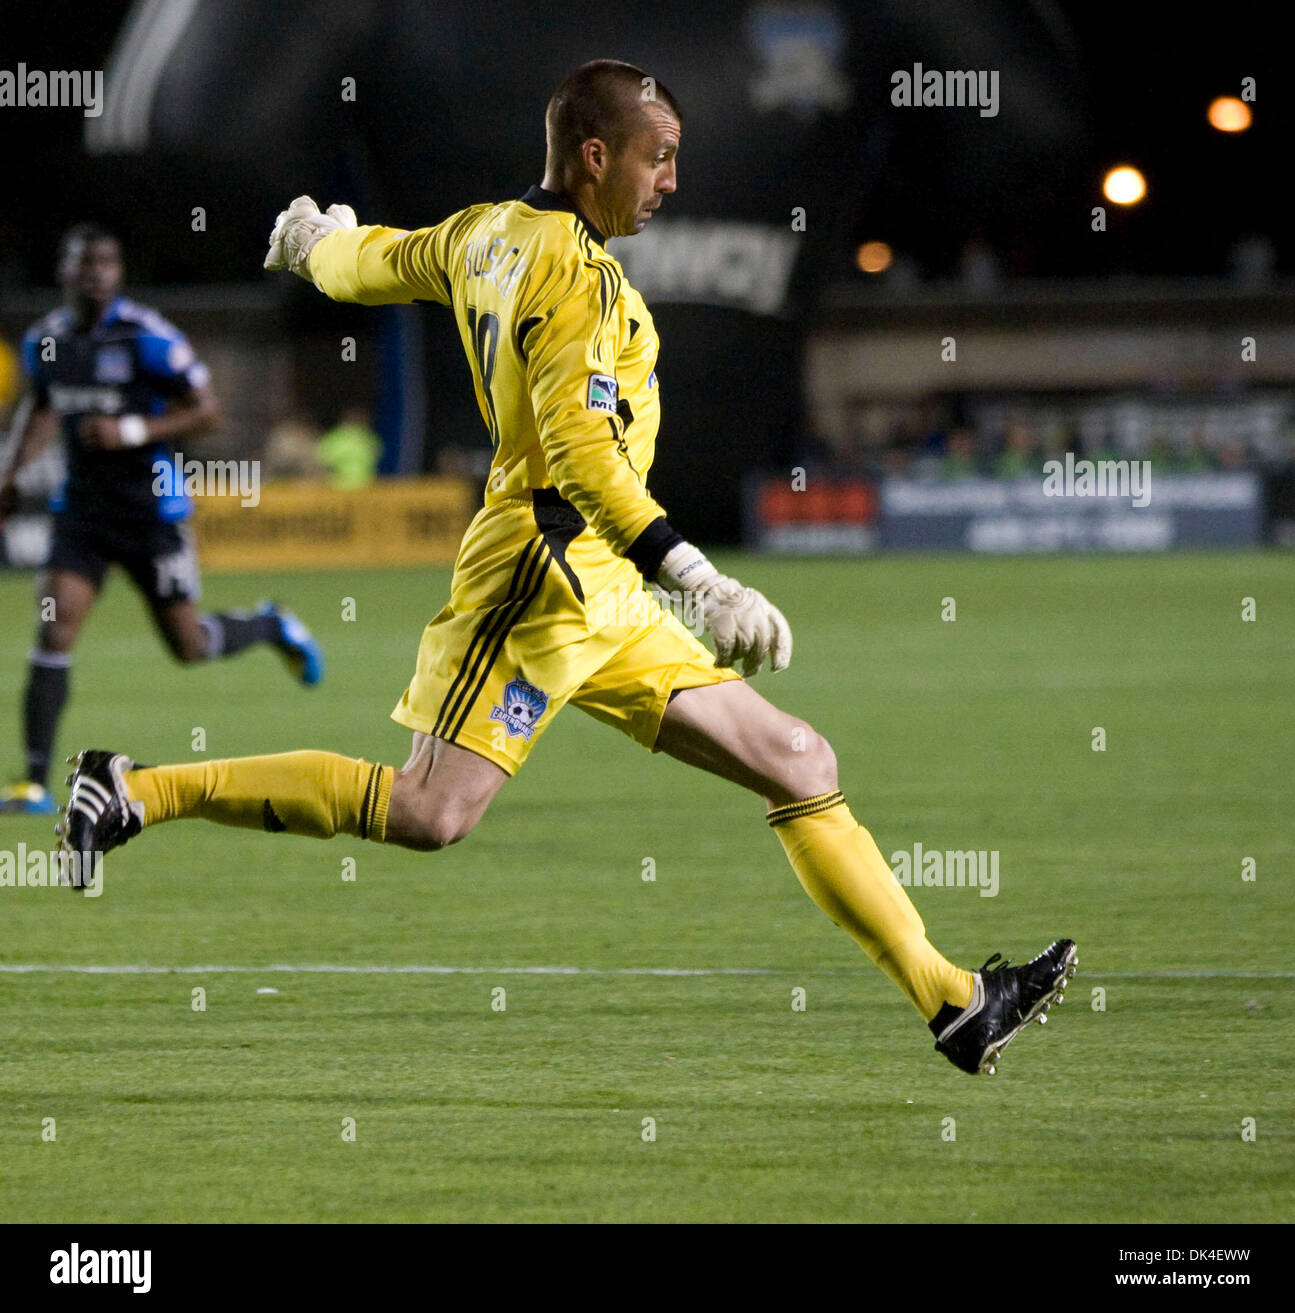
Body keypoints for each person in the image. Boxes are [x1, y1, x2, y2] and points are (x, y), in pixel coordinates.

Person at [61, 62, 1075, 1075]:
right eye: (659, 156)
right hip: (538, 578)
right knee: (430, 813)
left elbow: (376, 260)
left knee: (798, 760)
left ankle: (953, 1002)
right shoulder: (575, 280)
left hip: (603, 587)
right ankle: (139, 786)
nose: (671, 180)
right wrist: (702, 578)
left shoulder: (483, 232)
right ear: (596, 155)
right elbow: (583, 454)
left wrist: (314, 244)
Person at [0, 224, 325, 815]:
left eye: (106, 262)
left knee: (190, 645)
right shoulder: (45, 342)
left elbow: (207, 410)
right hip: (82, 514)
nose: (95, 272)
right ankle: (34, 784)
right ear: (65, 272)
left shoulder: (148, 338)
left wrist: (132, 430)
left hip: (152, 512)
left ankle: (272, 625)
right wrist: (9, 472)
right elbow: (40, 408)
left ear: (118, 273)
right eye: (83, 262)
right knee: (53, 630)